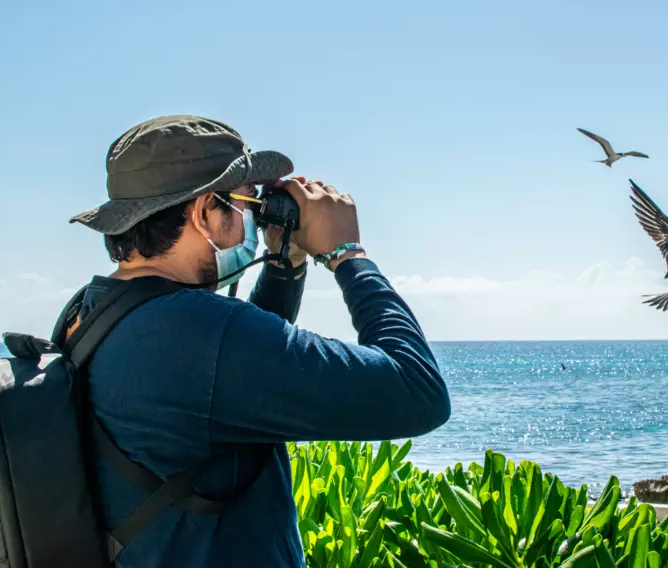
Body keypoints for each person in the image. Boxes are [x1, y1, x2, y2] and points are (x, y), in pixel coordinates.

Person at [66, 115, 451, 567]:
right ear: (206, 210)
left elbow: (224, 386)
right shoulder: (197, 333)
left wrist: (283, 264)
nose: (253, 216)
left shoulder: (93, 311)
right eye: (247, 203)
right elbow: (417, 392)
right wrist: (348, 255)